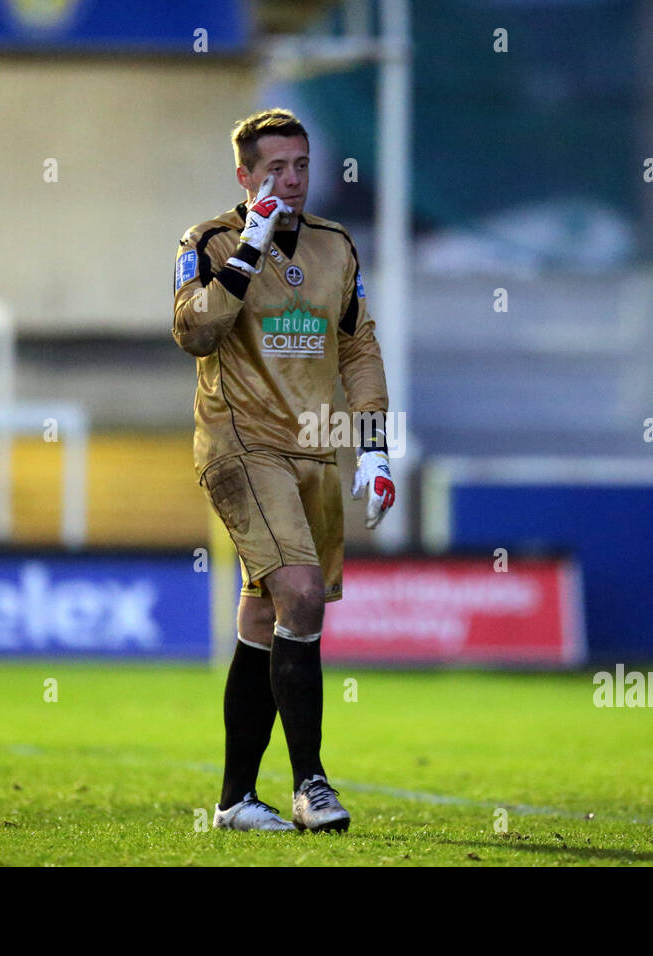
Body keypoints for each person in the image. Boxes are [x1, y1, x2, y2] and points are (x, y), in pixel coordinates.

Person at [172, 108, 396, 833]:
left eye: (300, 165)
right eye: (275, 168)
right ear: (244, 175)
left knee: (270, 612)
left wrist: (375, 447)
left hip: (314, 445)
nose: (292, 179)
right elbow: (194, 331)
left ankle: (236, 800)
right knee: (300, 593)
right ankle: (313, 786)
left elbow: (357, 348)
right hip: (240, 445)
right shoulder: (207, 241)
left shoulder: (335, 246)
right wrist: (249, 250)